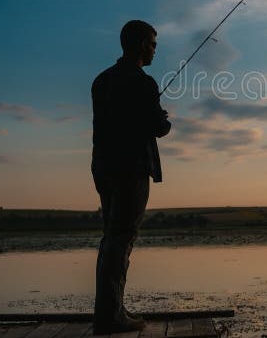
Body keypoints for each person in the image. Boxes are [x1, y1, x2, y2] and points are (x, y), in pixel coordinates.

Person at [91, 20, 171, 334]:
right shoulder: (143, 82)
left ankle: (110, 310)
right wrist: (164, 119)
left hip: (103, 167)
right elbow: (157, 127)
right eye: (152, 44)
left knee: (111, 237)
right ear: (140, 45)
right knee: (121, 239)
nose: (154, 50)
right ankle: (111, 317)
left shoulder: (101, 80)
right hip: (131, 169)